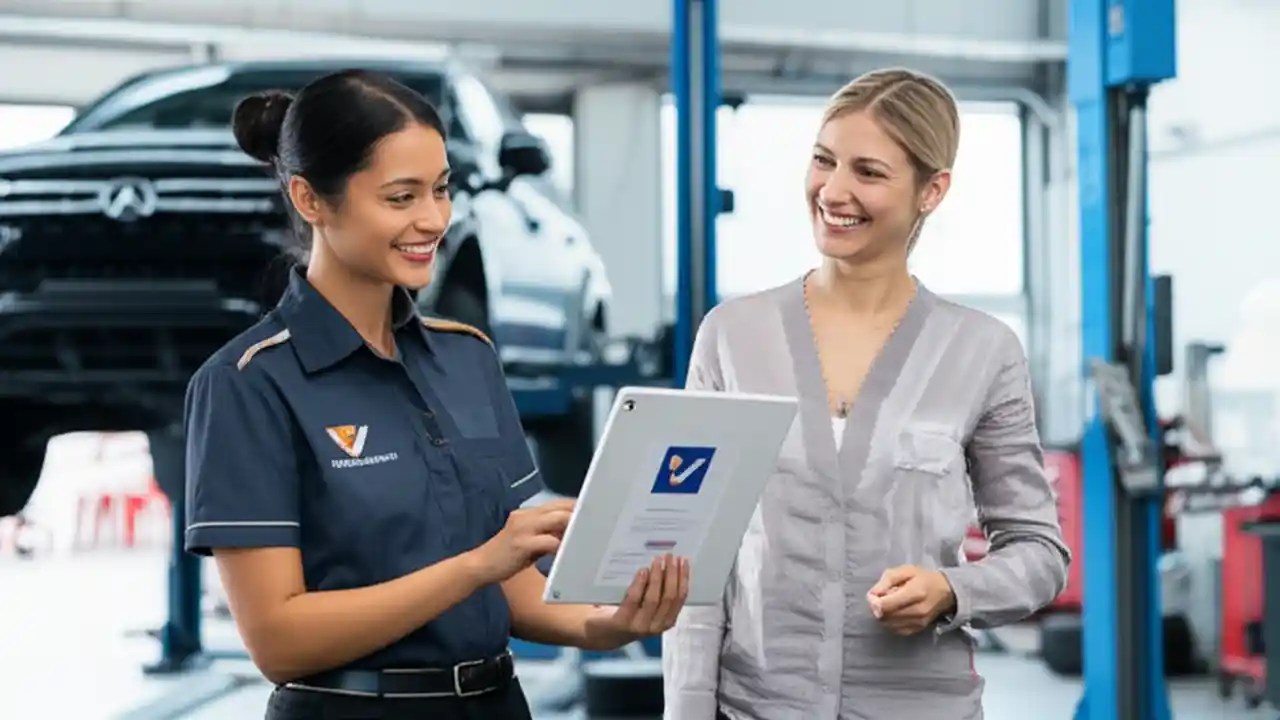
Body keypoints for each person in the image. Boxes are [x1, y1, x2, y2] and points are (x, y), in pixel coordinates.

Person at [182, 69, 690, 720]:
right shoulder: (249, 383)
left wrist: (611, 625)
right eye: (401, 197)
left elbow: (514, 591)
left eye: (442, 190)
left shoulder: (467, 358)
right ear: (310, 199)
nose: (433, 219)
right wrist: (475, 566)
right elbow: (279, 642)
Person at [661, 68, 1071, 719]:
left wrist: (953, 589)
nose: (833, 190)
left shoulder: (983, 351)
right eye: (823, 160)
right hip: (757, 707)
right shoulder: (732, 337)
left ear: (931, 190)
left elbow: (1039, 552)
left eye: (869, 172)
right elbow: (692, 552)